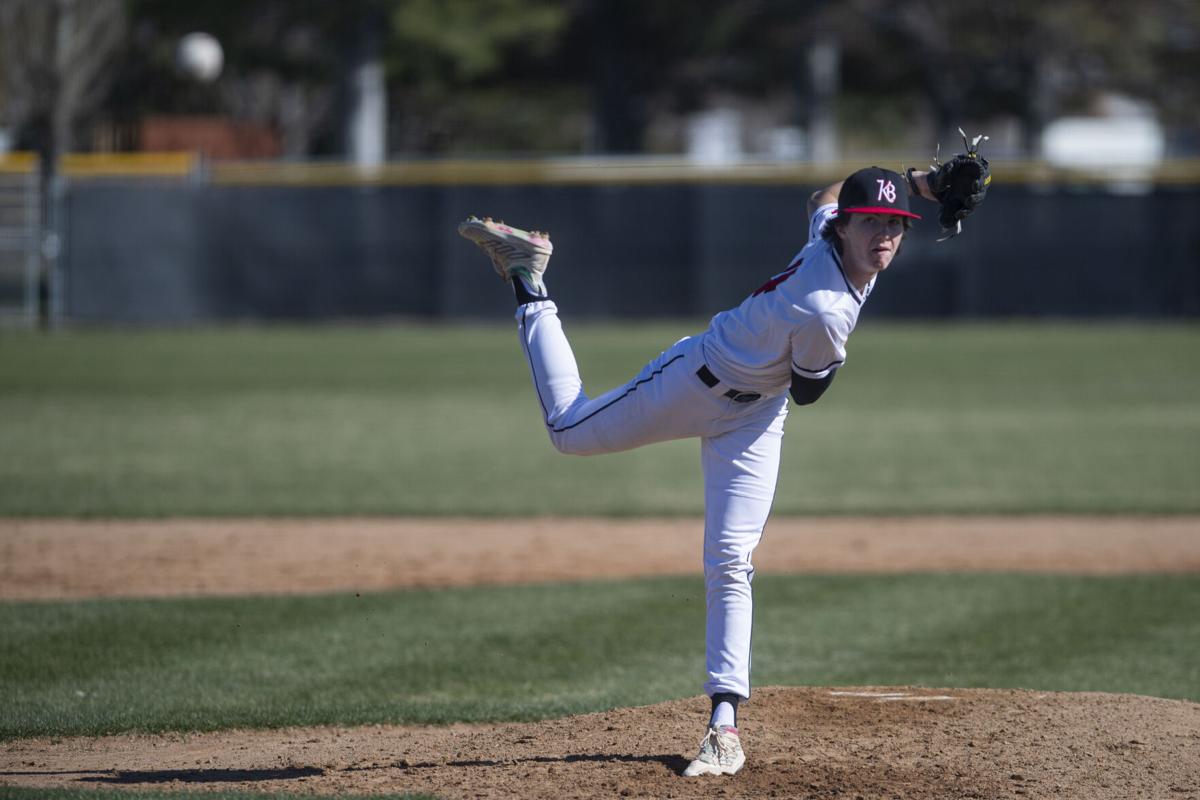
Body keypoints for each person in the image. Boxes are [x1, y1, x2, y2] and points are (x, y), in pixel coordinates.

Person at [459, 165, 940, 777]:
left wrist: (918, 183)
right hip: (695, 382)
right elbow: (812, 390)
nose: (886, 237)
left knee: (731, 559)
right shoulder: (824, 307)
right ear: (845, 228)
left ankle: (723, 727)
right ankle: (529, 278)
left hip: (756, 416)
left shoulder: (833, 235)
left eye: (896, 225)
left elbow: (822, 194)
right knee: (568, 431)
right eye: (873, 222)